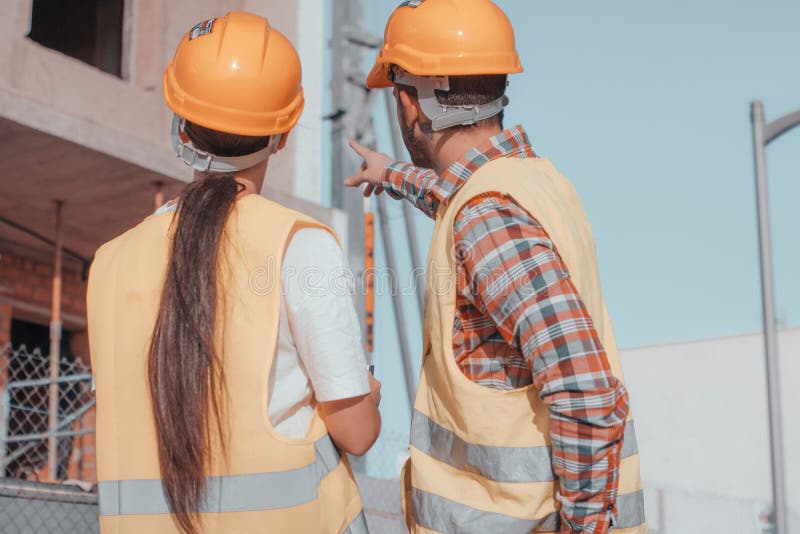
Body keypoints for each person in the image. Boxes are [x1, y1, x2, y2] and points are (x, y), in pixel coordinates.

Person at [345, 0, 646, 532]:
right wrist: (392, 174)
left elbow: (585, 392)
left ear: (411, 105)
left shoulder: (487, 215)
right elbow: (463, 205)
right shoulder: (520, 185)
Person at [87, 12, 376, 534]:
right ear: (283, 133)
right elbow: (357, 433)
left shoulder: (109, 261)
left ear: (180, 125)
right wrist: (368, 392)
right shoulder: (300, 245)